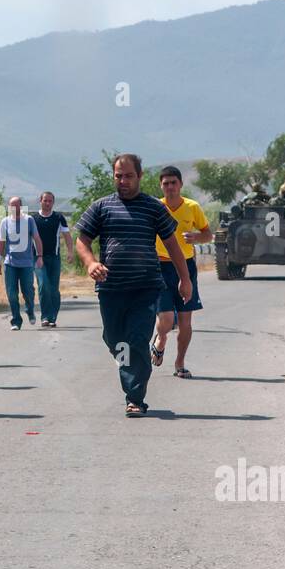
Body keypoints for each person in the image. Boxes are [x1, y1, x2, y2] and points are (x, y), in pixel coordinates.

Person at [74, 154, 191, 418]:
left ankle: (135, 397)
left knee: (136, 341)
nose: (123, 181)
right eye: (118, 176)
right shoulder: (101, 207)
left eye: (128, 176)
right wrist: (91, 262)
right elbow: (82, 240)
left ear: (139, 176)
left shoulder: (153, 208)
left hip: (145, 287)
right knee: (115, 339)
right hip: (111, 289)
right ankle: (130, 371)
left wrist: (185, 279)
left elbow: (172, 244)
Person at [150, 166, 211, 379]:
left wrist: (197, 237)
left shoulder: (192, 207)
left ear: (181, 184)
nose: (170, 187)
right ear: (161, 186)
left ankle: (180, 362)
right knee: (166, 319)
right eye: (165, 183)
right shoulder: (155, 207)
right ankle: (160, 339)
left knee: (185, 322)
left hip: (185, 267)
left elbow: (208, 234)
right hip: (160, 267)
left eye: (173, 183)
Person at [0, 196, 43, 329]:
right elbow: (1, 242)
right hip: (10, 263)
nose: (13, 208)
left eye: (16, 205)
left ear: (21, 207)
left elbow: (37, 239)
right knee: (11, 293)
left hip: (26, 263)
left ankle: (30, 309)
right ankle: (16, 320)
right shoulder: (5, 222)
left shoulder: (29, 220)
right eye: (11, 205)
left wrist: (40, 256)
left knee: (28, 291)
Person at [30, 191, 72, 327]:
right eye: (45, 201)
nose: (47, 203)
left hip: (54, 258)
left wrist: (70, 252)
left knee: (54, 289)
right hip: (37, 258)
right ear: (40, 201)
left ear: (53, 202)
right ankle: (45, 317)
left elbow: (67, 235)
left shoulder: (59, 218)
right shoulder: (33, 219)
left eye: (50, 201)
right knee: (43, 285)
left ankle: (53, 317)